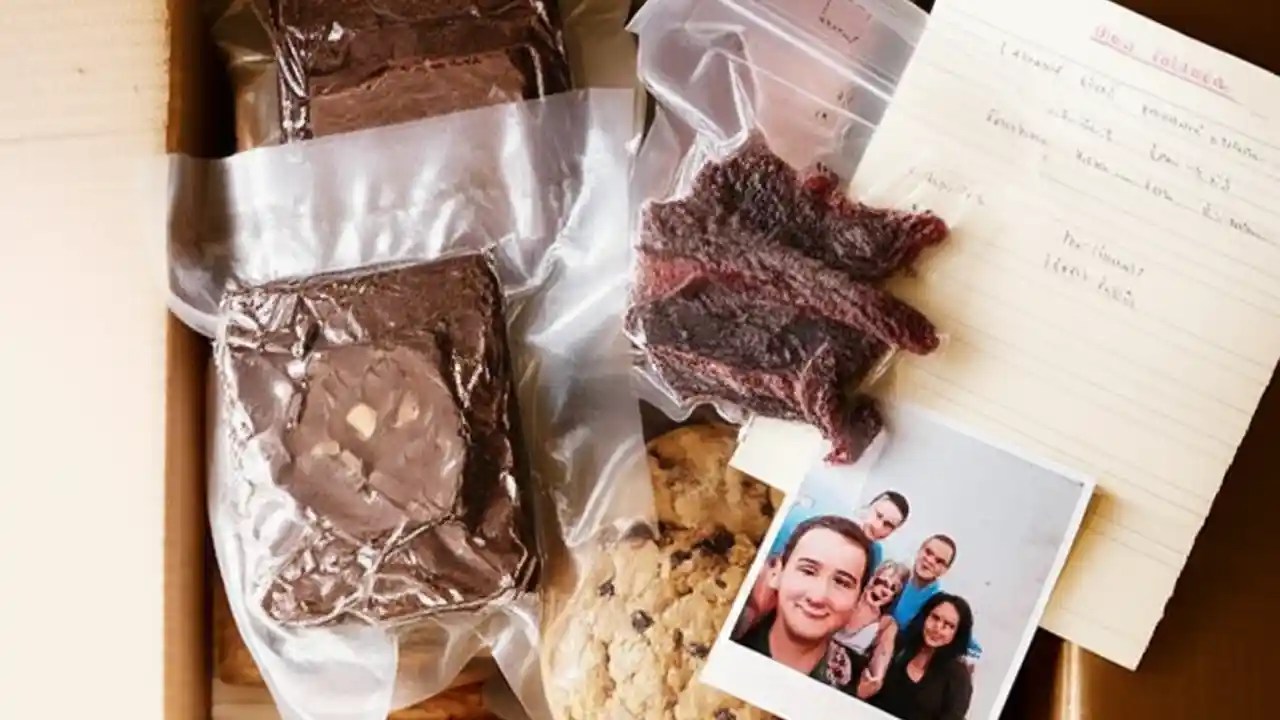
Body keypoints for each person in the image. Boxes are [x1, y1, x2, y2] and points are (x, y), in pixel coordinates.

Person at [733, 515, 879, 698]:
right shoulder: (726, 641)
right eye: (808, 571)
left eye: (842, 582)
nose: (818, 596)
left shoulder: (854, 683)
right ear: (776, 573)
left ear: (858, 600)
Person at [868, 593, 974, 720]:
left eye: (948, 625)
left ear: (957, 633)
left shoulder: (958, 676)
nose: (937, 628)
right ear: (925, 617)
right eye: (935, 618)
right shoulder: (897, 645)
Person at [892, 534, 984, 666]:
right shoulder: (895, 576)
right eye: (928, 552)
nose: (930, 561)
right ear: (919, 551)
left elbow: (974, 651)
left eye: (939, 561)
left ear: (945, 570)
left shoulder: (938, 603)